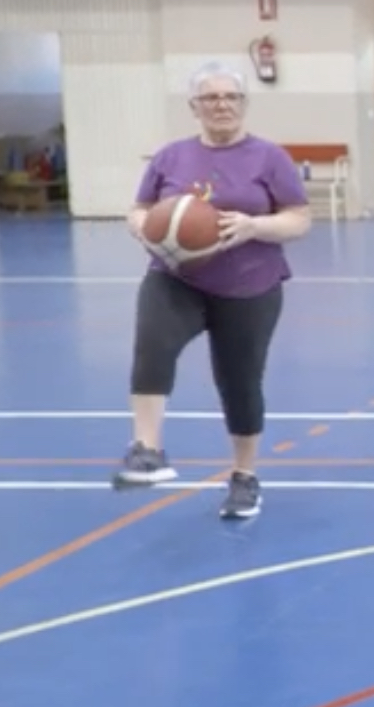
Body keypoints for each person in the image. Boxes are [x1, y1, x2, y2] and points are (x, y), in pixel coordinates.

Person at [115, 64, 313, 521]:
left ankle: (244, 477)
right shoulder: (170, 157)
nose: (221, 104)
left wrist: (254, 226)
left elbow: (299, 219)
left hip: (249, 285)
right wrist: (144, 229)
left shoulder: (269, 158)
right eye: (210, 98)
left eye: (230, 97)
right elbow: (140, 209)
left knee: (239, 382)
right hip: (176, 277)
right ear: (194, 107)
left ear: (243, 104)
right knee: (152, 343)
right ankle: (147, 449)